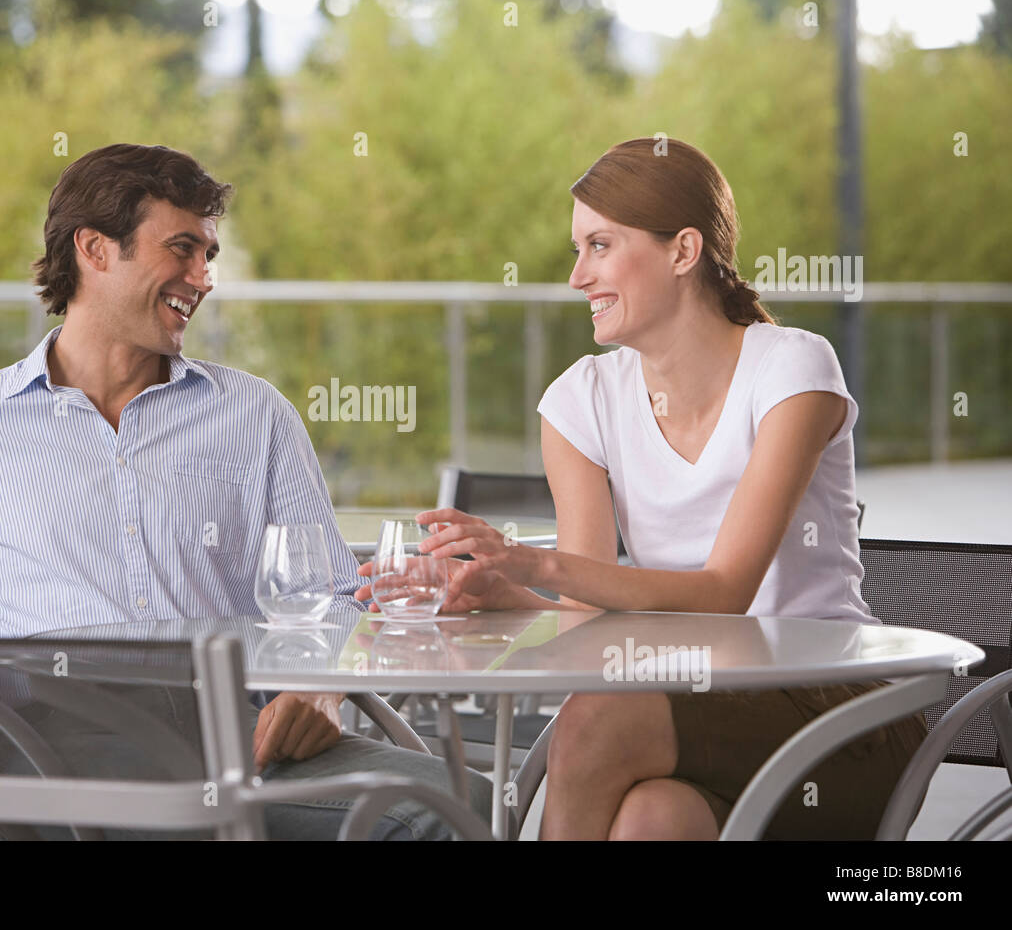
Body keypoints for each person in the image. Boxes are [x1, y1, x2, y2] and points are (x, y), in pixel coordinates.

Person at [0, 142, 491, 840]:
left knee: (462, 798)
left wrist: (319, 686)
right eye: (183, 249)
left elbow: (337, 592)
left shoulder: (254, 416)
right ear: (95, 250)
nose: (203, 277)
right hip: (54, 758)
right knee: (420, 818)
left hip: (241, 737)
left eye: (209, 256)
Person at [355, 137, 926, 840]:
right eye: (577, 249)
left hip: (834, 713)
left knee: (598, 714)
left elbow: (724, 595)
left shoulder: (793, 371)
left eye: (599, 245)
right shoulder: (580, 402)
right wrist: (502, 593)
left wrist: (534, 559)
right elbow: (583, 628)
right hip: (688, 710)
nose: (576, 277)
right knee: (653, 821)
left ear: (683, 252)